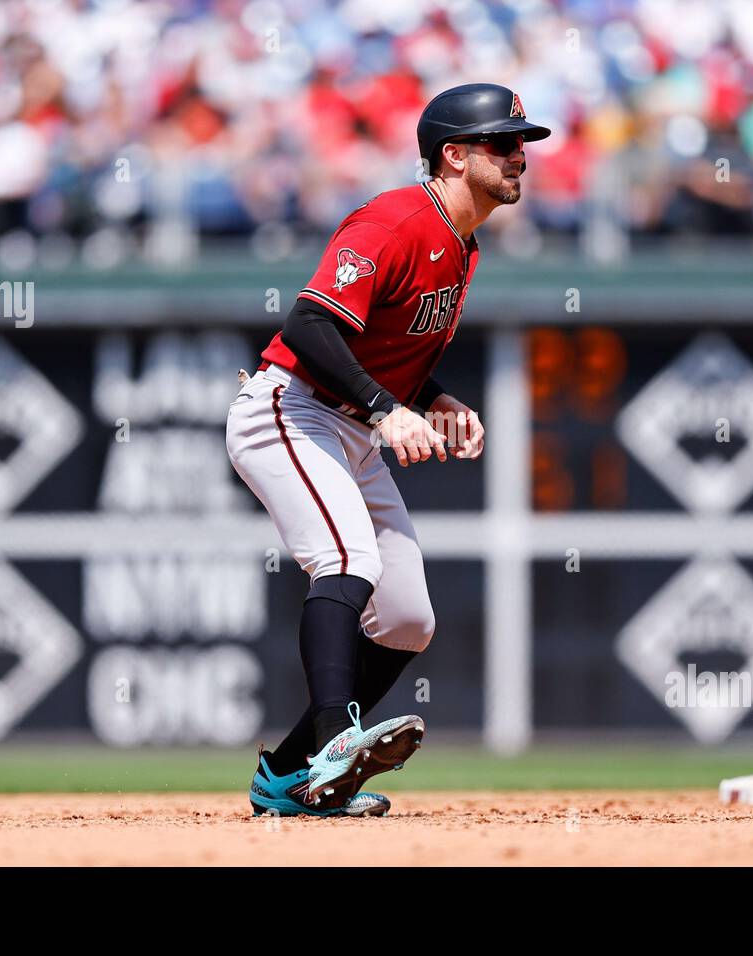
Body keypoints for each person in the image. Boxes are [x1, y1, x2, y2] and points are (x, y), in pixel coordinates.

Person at [226, 84, 550, 816]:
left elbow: (386, 341)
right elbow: (311, 324)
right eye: (504, 144)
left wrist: (432, 398)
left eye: (522, 144)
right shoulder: (394, 220)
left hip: (347, 426)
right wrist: (385, 407)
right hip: (290, 408)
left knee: (407, 617)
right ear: (454, 155)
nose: (519, 157)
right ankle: (339, 738)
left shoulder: (462, 245)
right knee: (346, 561)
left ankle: (288, 776)